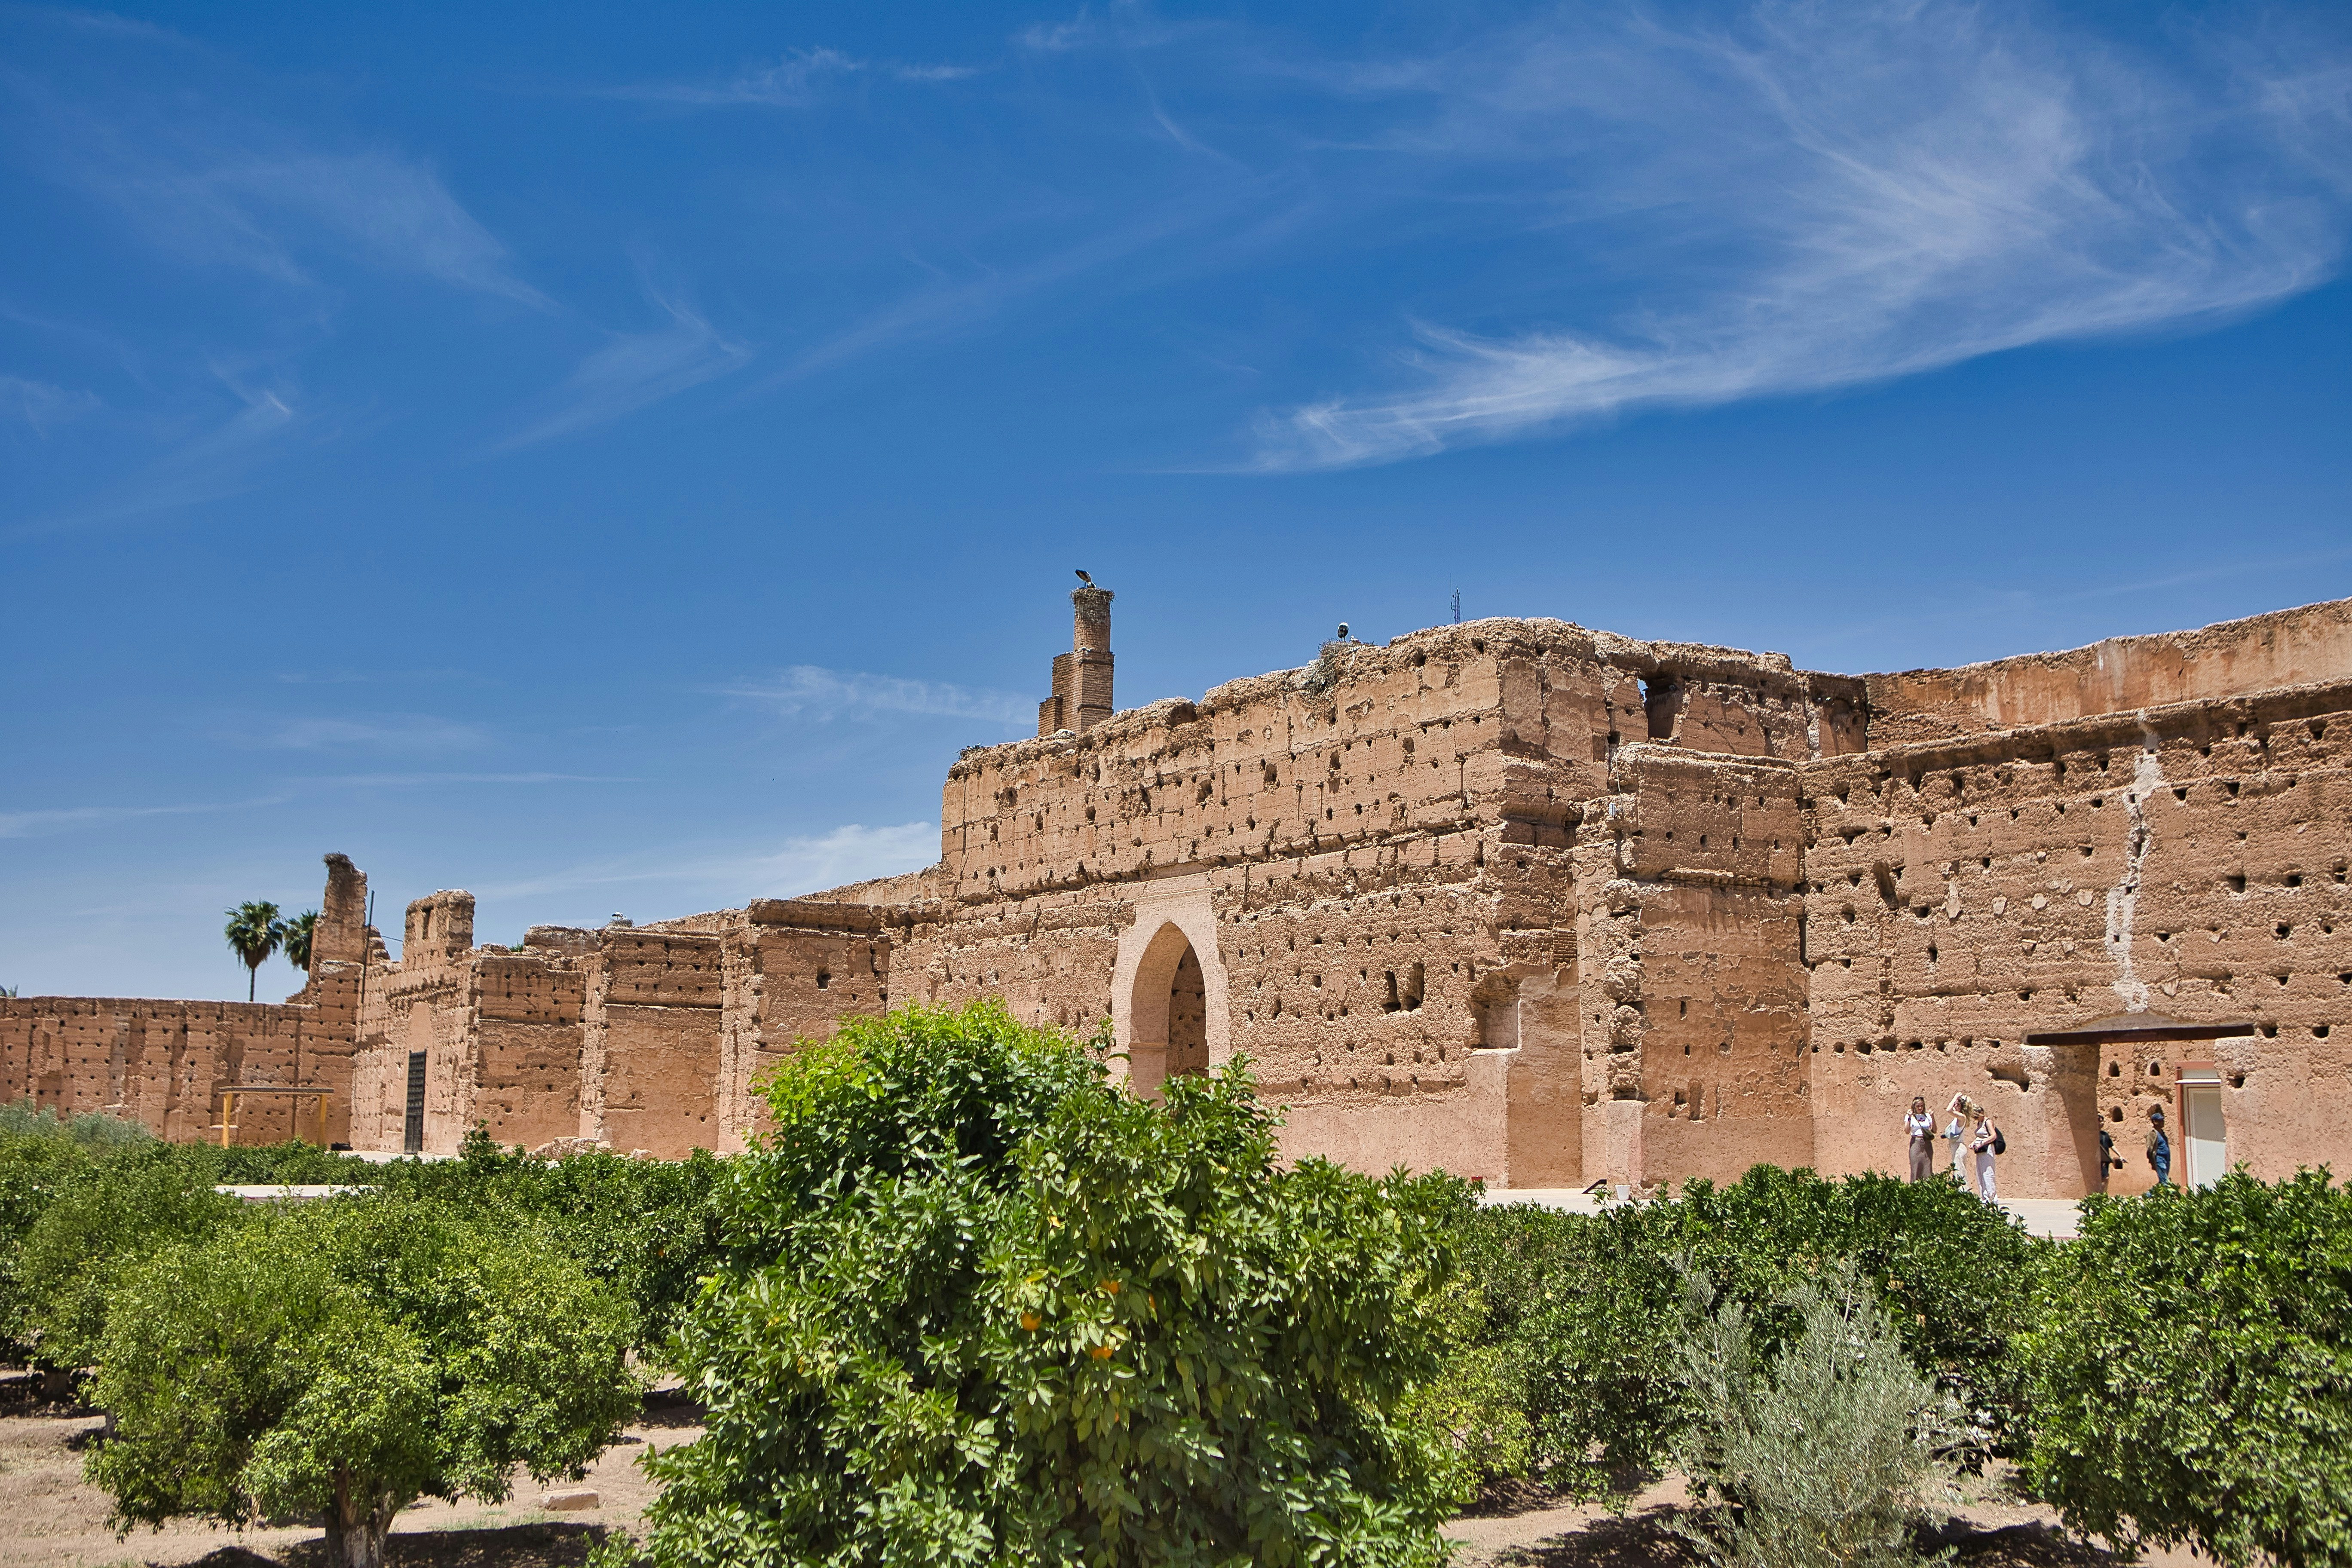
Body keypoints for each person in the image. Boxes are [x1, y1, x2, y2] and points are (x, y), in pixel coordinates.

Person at [1969, 1107, 2000, 1204]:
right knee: (1980, 1173)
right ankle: (1984, 1196)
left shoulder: (1988, 1122)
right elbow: (1980, 1136)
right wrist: (1974, 1143)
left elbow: (1993, 1136)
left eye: (1977, 1116)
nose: (1975, 1119)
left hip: (1988, 1150)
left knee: (1988, 1173)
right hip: (1980, 1151)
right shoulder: (1979, 1123)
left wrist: (1982, 1143)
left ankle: (1992, 1197)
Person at [1904, 1095, 1937, 1182]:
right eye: (1918, 1106)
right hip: (1916, 1143)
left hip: (1927, 1144)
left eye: (1922, 1106)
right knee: (1916, 1167)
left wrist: (1933, 1117)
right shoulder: (1910, 1116)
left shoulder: (1927, 1116)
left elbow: (1934, 1130)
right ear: (1914, 1106)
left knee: (1928, 1167)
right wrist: (1909, 1118)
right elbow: (1907, 1131)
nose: (1920, 1108)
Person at [1944, 1094, 1972, 1185]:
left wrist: (1955, 1097)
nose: (1954, 1106)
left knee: (1960, 1173)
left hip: (1959, 1147)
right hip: (1955, 1147)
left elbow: (1948, 1110)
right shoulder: (1957, 1118)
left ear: (1961, 1106)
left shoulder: (1962, 1117)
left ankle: (1963, 1194)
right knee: (1957, 1172)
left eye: (1956, 1104)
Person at [2147, 1105, 2173, 1187]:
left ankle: (2147, 1196)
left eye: (2163, 1120)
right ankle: (2148, 1196)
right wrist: (2153, 1162)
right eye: (2161, 1121)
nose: (2163, 1122)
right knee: (2165, 1182)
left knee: (2163, 1181)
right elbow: (2150, 1149)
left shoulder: (2163, 1133)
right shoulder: (2153, 1134)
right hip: (2159, 1160)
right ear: (2155, 1122)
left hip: (2167, 1160)